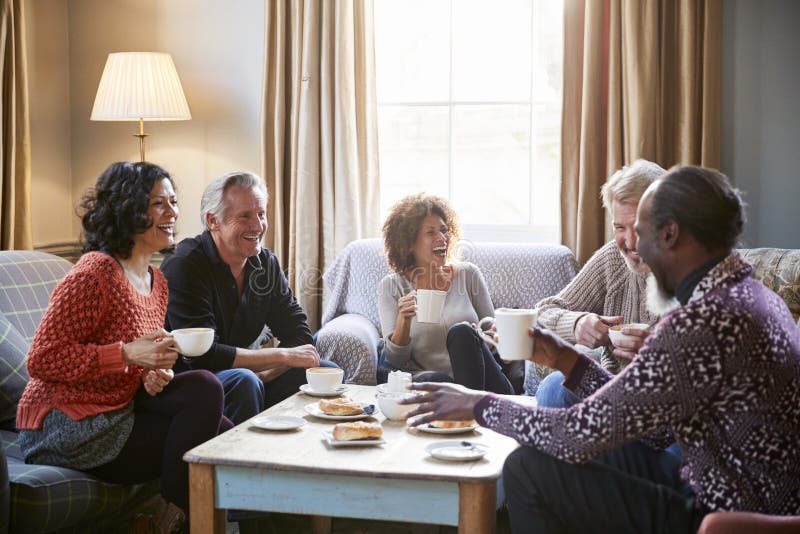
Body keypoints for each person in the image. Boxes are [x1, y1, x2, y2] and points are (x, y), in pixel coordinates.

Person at [403, 166, 800, 533]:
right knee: (554, 452)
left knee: (527, 468)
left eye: (640, 232)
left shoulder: (700, 324)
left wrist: (476, 404)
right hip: (728, 488)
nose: (633, 248)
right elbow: (657, 431)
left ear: (670, 234)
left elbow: (579, 433)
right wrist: (566, 360)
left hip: (726, 515)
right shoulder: (751, 297)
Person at [16, 162, 232, 526]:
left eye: (174, 202)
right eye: (158, 204)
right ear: (129, 210)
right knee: (206, 398)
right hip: (67, 424)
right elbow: (42, 359)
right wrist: (127, 353)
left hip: (118, 409)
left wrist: (150, 374)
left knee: (222, 431)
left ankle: (184, 514)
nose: (173, 213)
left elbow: (133, 369)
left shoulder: (158, 282)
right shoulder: (93, 273)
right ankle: (178, 512)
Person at [161, 171, 337, 426]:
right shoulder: (185, 264)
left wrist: (268, 371)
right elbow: (204, 354)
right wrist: (281, 358)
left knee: (324, 369)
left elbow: (298, 332)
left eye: (261, 214)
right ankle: (239, 462)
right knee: (245, 380)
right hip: (194, 380)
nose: (257, 226)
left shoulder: (265, 263)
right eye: (244, 216)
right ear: (213, 221)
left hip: (247, 377)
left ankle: (301, 460)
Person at [534, 159, 667, 407]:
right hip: (612, 397)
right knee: (554, 387)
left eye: (641, 227)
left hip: (668, 408)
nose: (630, 242)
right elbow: (543, 312)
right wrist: (577, 324)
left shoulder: (695, 270)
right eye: (619, 227)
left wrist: (659, 356)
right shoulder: (612, 260)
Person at [377, 193, 513, 394]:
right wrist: (403, 321)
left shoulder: (468, 274)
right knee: (438, 382)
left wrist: (486, 338)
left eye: (444, 230)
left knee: (462, 331)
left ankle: (465, 409)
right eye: (430, 232)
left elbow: (494, 333)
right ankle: (462, 412)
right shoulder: (391, 287)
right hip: (431, 384)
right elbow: (395, 360)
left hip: (485, 386)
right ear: (409, 243)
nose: (442, 238)